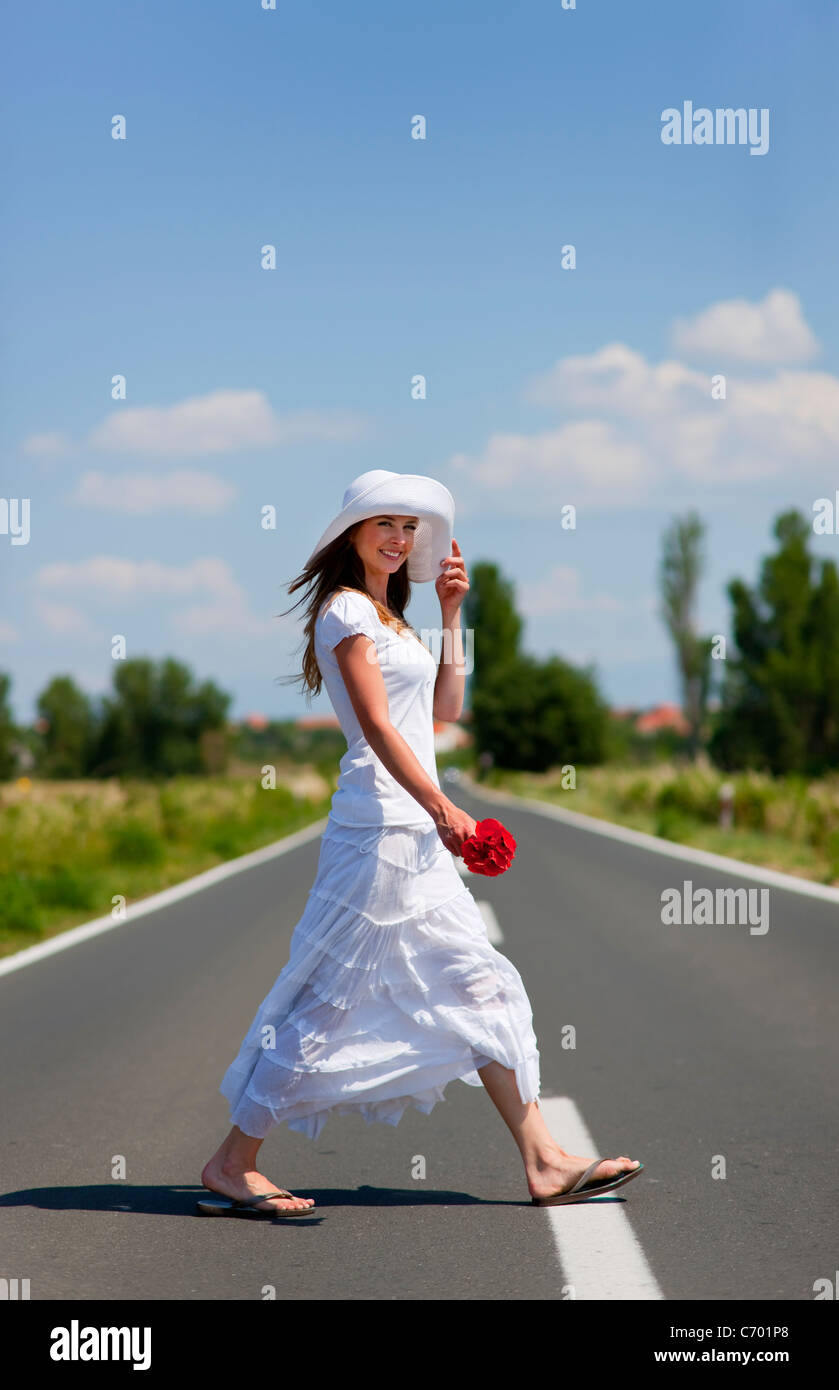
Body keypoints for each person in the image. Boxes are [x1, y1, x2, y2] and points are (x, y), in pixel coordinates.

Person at [197, 470, 642, 1217]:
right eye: (384, 524)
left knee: (478, 984)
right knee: (324, 1000)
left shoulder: (392, 617)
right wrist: (442, 806)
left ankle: (541, 1159)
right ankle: (232, 1162)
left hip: (416, 832)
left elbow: (442, 711)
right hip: (377, 829)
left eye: (409, 527)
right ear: (352, 535)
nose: (400, 538)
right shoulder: (344, 612)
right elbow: (375, 727)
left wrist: (451, 612)